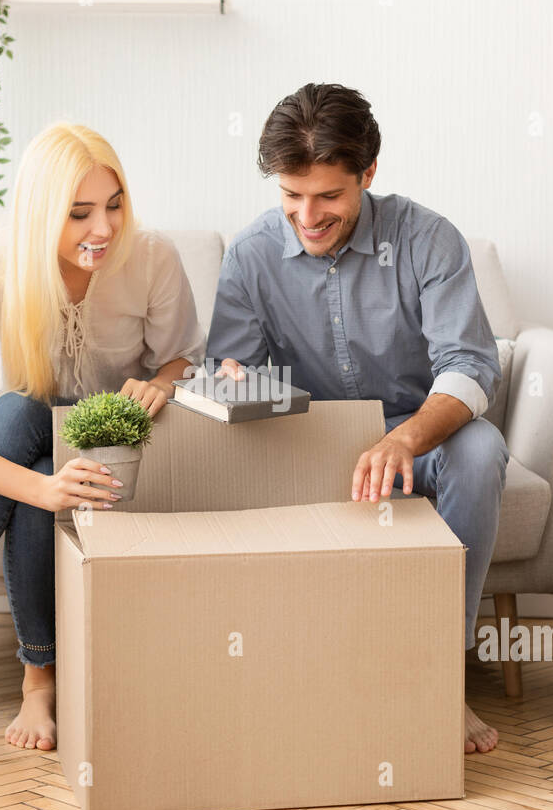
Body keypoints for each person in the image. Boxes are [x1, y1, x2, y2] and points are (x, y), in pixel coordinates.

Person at [0, 123, 206, 752]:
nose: (103, 229)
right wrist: (43, 488)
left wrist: (163, 383)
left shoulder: (152, 257)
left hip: (101, 436)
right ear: (40, 212)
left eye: (114, 204)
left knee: (50, 449)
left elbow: (184, 357)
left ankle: (17, 674)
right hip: (8, 432)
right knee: (22, 413)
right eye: (78, 214)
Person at [208, 83, 509, 754]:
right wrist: (236, 385)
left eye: (328, 197)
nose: (306, 217)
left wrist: (404, 438)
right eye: (291, 195)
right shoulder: (252, 254)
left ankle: (439, 672)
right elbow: (225, 374)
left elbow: (471, 366)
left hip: (419, 439)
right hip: (308, 444)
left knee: (481, 450)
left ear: (368, 175)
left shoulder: (428, 238)